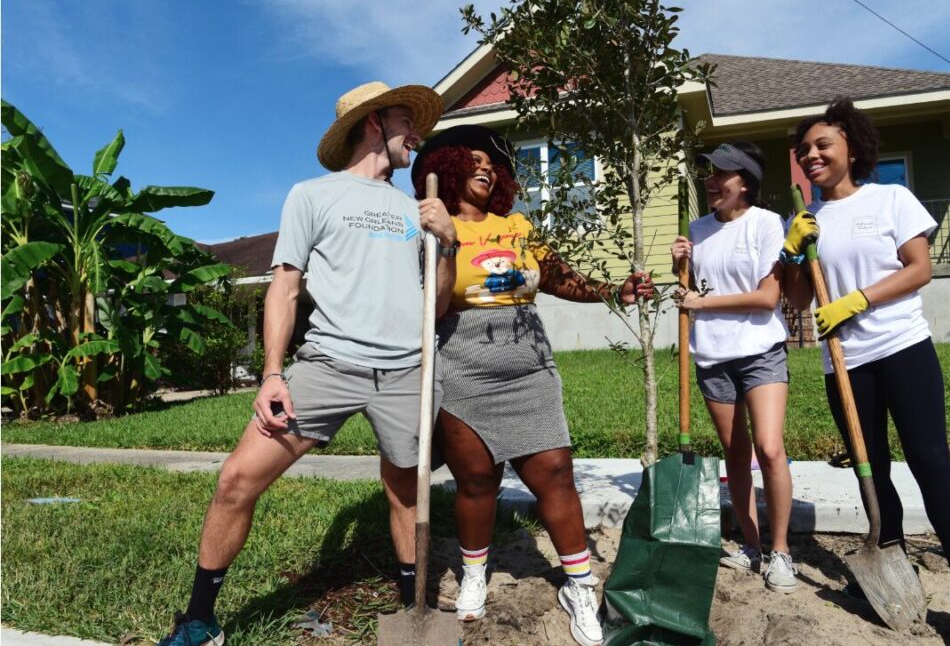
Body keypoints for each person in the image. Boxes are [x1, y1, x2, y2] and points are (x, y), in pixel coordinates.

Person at [155, 82, 460, 646]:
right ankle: (200, 619)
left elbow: (435, 305)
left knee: (404, 492)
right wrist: (273, 371)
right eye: (406, 123)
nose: (418, 136)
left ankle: (411, 610)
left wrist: (447, 244)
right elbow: (285, 287)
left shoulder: (416, 207)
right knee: (235, 480)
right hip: (328, 364)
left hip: (406, 372)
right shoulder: (312, 196)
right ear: (374, 123)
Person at [411, 125, 654, 646]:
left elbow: (561, 277)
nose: (486, 167)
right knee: (477, 481)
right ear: (449, 167)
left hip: (528, 365)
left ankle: (579, 585)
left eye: (491, 162)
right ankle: (475, 573)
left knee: (555, 475)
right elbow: (435, 309)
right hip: (463, 364)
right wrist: (447, 244)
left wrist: (615, 291)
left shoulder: (517, 225)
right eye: (472, 160)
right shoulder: (433, 229)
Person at [782, 97, 950, 646]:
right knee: (871, 469)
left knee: (929, 462)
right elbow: (800, 297)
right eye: (804, 150)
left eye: (822, 145)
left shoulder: (891, 198)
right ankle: (890, 563)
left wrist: (855, 302)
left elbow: (919, 268)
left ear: (851, 146)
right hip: (847, 364)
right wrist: (792, 253)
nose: (811, 156)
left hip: (902, 347)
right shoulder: (809, 220)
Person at [670, 141, 798, 594]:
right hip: (712, 354)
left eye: (721, 173)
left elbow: (767, 298)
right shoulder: (697, 228)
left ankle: (781, 552)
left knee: (768, 447)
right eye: (708, 172)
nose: (710, 180)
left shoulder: (767, 224)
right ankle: (752, 545)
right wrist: (678, 262)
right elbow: (688, 287)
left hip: (760, 349)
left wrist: (701, 302)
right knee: (735, 454)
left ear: (745, 183)